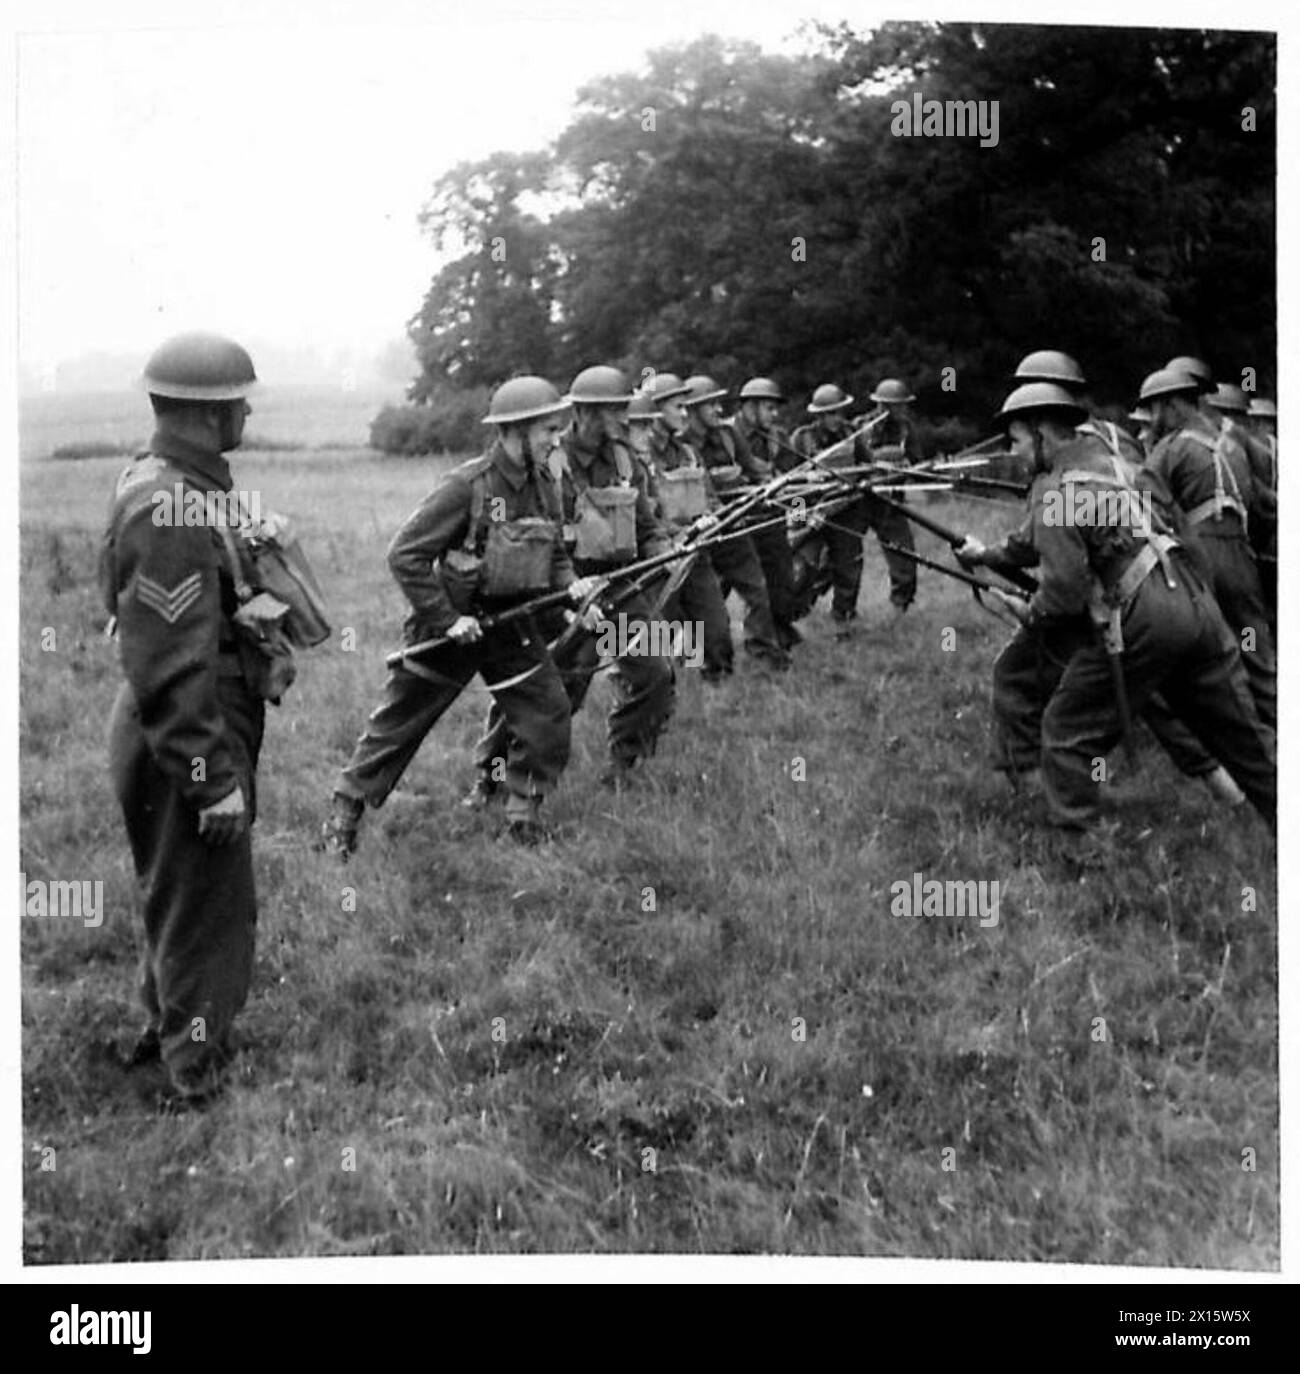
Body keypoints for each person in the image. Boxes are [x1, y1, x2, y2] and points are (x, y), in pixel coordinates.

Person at [973, 382, 1275, 833]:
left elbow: (1064, 594)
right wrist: (986, 555)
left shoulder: (1056, 488)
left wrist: (1028, 612)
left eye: (1015, 441)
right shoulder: (1124, 466)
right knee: (1245, 739)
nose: (1013, 453)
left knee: (1065, 730)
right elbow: (1034, 541)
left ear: (1042, 433)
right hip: (1197, 604)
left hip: (1144, 617)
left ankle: (1085, 854)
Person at [320, 376, 593, 851]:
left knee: (548, 713)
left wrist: (571, 586)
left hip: (512, 620)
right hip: (452, 623)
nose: (556, 440)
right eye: (547, 430)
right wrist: (447, 620)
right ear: (514, 431)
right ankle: (343, 816)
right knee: (400, 723)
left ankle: (520, 818)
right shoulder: (466, 486)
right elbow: (404, 554)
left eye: (557, 430)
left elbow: (553, 549)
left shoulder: (546, 481)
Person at [101, 331, 266, 1107]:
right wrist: (211, 781)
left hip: (176, 722)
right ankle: (195, 1074)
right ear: (208, 413)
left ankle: (162, 1030)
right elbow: (171, 666)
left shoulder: (166, 482)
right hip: (185, 728)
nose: (246, 413)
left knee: (178, 890)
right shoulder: (171, 505)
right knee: (208, 903)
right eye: (238, 401)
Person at [1141, 367, 1276, 733]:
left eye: (1154, 410)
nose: (1152, 420)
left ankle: (1234, 739)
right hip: (1241, 557)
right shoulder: (1234, 446)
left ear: (1171, 406)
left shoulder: (1171, 448)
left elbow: (1143, 506)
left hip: (1200, 557)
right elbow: (1264, 506)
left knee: (1202, 652)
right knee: (1255, 648)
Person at [789, 381, 917, 635]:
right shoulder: (801, 438)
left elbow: (867, 466)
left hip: (845, 510)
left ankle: (843, 617)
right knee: (806, 566)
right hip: (810, 508)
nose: (835, 419)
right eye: (828, 414)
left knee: (849, 565)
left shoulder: (853, 434)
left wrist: (878, 473)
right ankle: (791, 615)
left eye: (838, 412)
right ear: (818, 415)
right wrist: (800, 520)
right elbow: (787, 483)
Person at [680, 374, 790, 668]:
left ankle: (765, 650)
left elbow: (754, 470)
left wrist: (776, 484)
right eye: (710, 404)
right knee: (700, 604)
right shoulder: (681, 445)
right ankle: (695, 659)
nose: (718, 409)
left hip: (737, 527)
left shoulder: (732, 436)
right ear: (691, 410)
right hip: (697, 533)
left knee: (758, 588)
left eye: (718, 403)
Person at [732, 377, 801, 649]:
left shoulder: (780, 438)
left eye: (776, 408)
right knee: (731, 585)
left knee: (782, 581)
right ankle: (691, 645)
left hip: (772, 519)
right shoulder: (727, 435)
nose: (775, 414)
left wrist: (799, 519)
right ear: (749, 407)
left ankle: (778, 633)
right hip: (735, 522)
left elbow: (795, 481)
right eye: (768, 408)